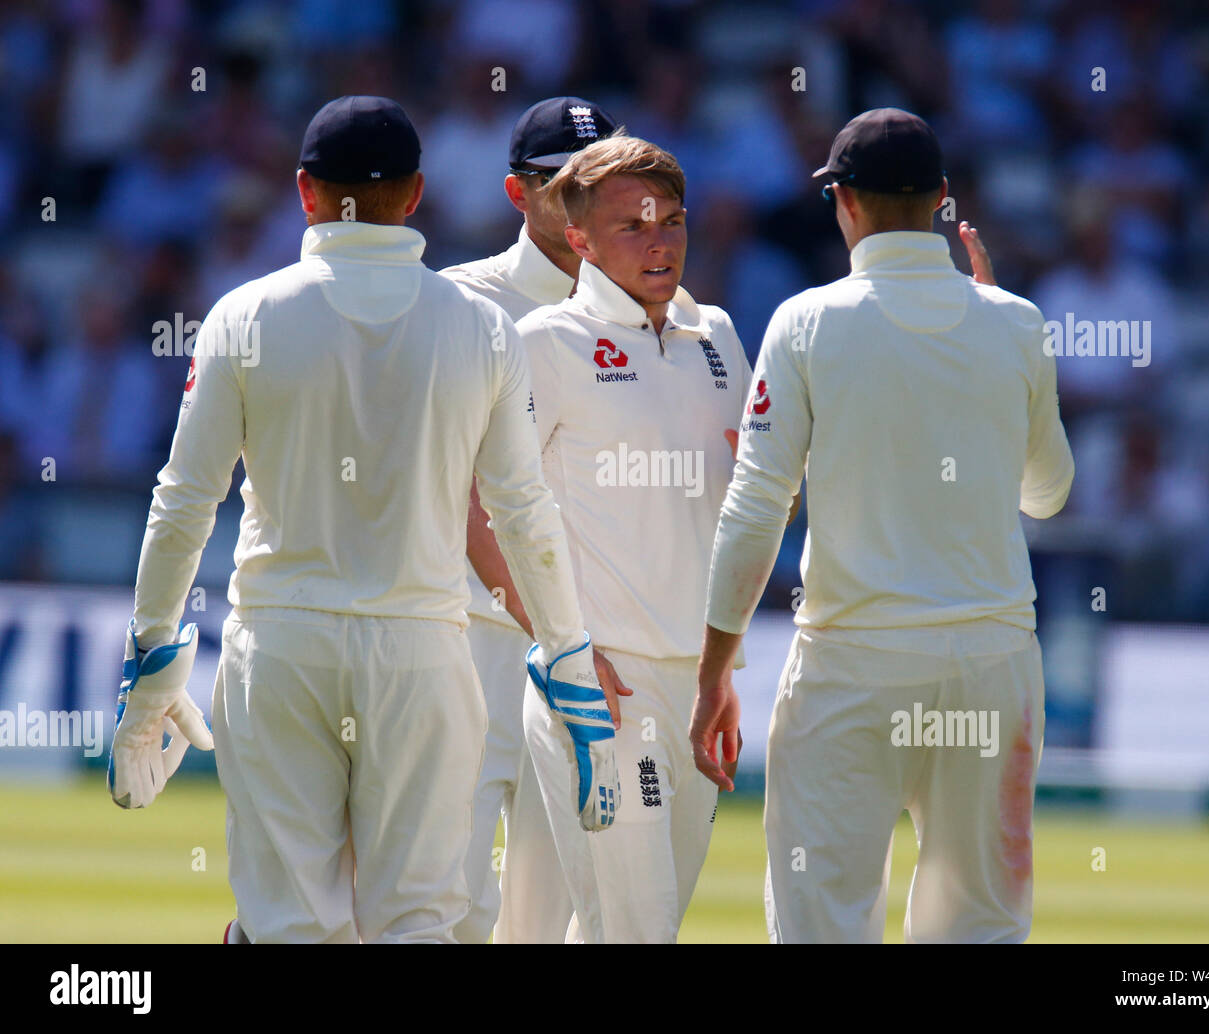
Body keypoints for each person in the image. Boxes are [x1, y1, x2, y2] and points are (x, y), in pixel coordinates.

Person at [107, 95, 615, 944]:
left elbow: (184, 499)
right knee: (417, 921)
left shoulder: (245, 315)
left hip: (282, 644)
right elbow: (523, 511)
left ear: (304, 193)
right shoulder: (483, 327)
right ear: (416, 194)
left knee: (289, 924)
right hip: (421, 649)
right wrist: (571, 661)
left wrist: (152, 656)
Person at [690, 108, 1074, 944]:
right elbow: (1047, 495)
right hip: (990, 663)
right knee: (978, 928)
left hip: (852, 666)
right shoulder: (1015, 322)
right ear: (941, 200)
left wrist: (714, 672)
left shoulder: (806, 321)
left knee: (822, 922)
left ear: (845, 203)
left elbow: (757, 507)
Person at [485, 134, 753, 943]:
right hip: (603, 692)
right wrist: (564, 649)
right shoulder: (544, 342)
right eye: (633, 225)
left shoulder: (718, 339)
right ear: (579, 239)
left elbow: (746, 505)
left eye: (672, 219)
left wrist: (721, 670)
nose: (660, 240)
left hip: (693, 685)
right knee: (634, 934)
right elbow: (488, 506)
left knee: (626, 929)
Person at [438, 96, 621, 946]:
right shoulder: (459, 302)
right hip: (471, 640)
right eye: (565, 184)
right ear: (519, 192)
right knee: (452, 900)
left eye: (606, 177)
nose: (591, 200)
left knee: (553, 918)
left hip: (594, 649)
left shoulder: (657, 307)